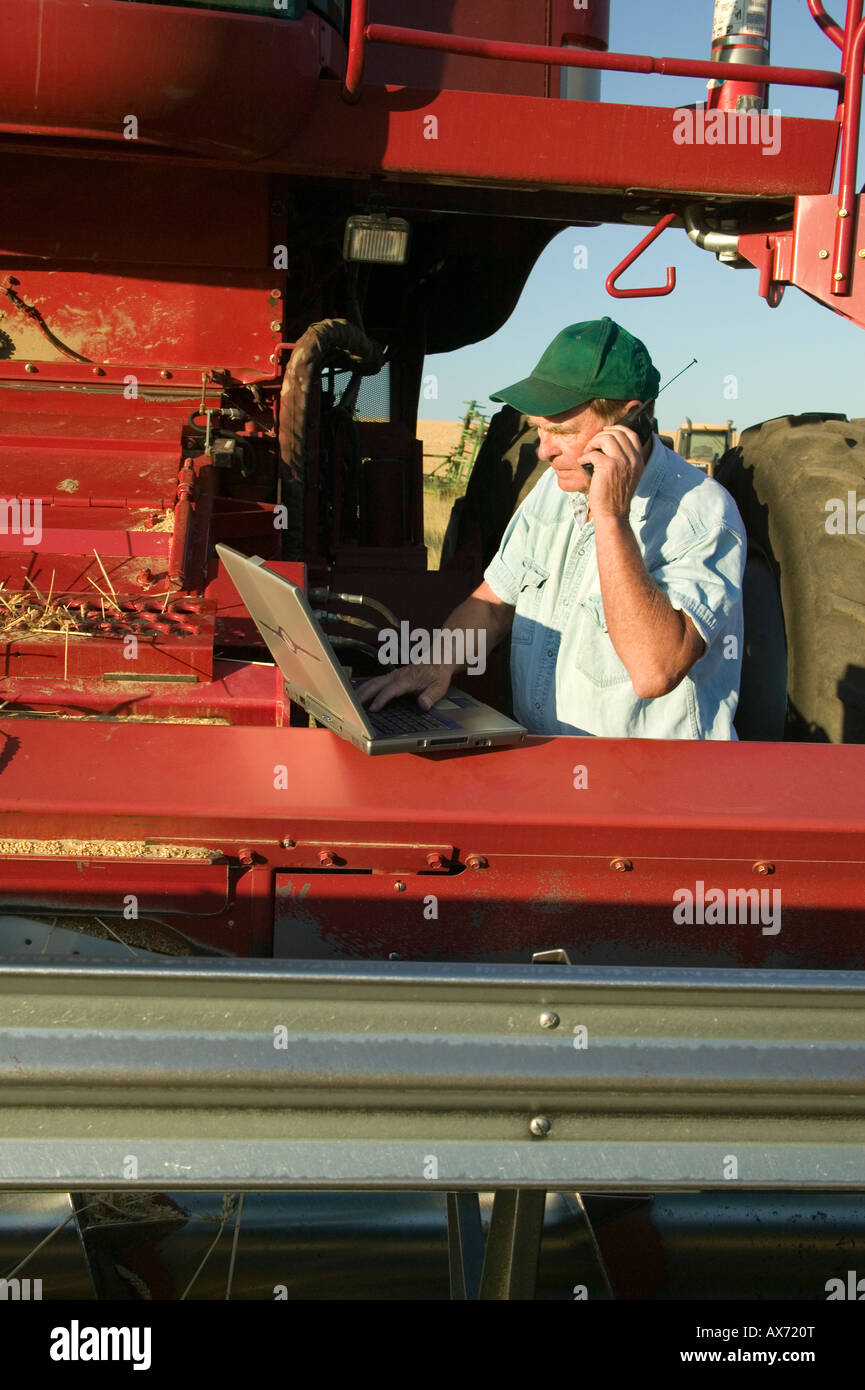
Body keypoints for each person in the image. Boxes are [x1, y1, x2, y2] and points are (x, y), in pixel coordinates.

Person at [358, 317, 746, 739]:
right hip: (550, 769)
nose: (544, 450)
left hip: (648, 791)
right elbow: (493, 603)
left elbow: (654, 671)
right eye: (539, 429)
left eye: (562, 431)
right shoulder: (554, 489)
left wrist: (611, 518)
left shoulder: (702, 513)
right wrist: (435, 663)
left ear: (633, 421)